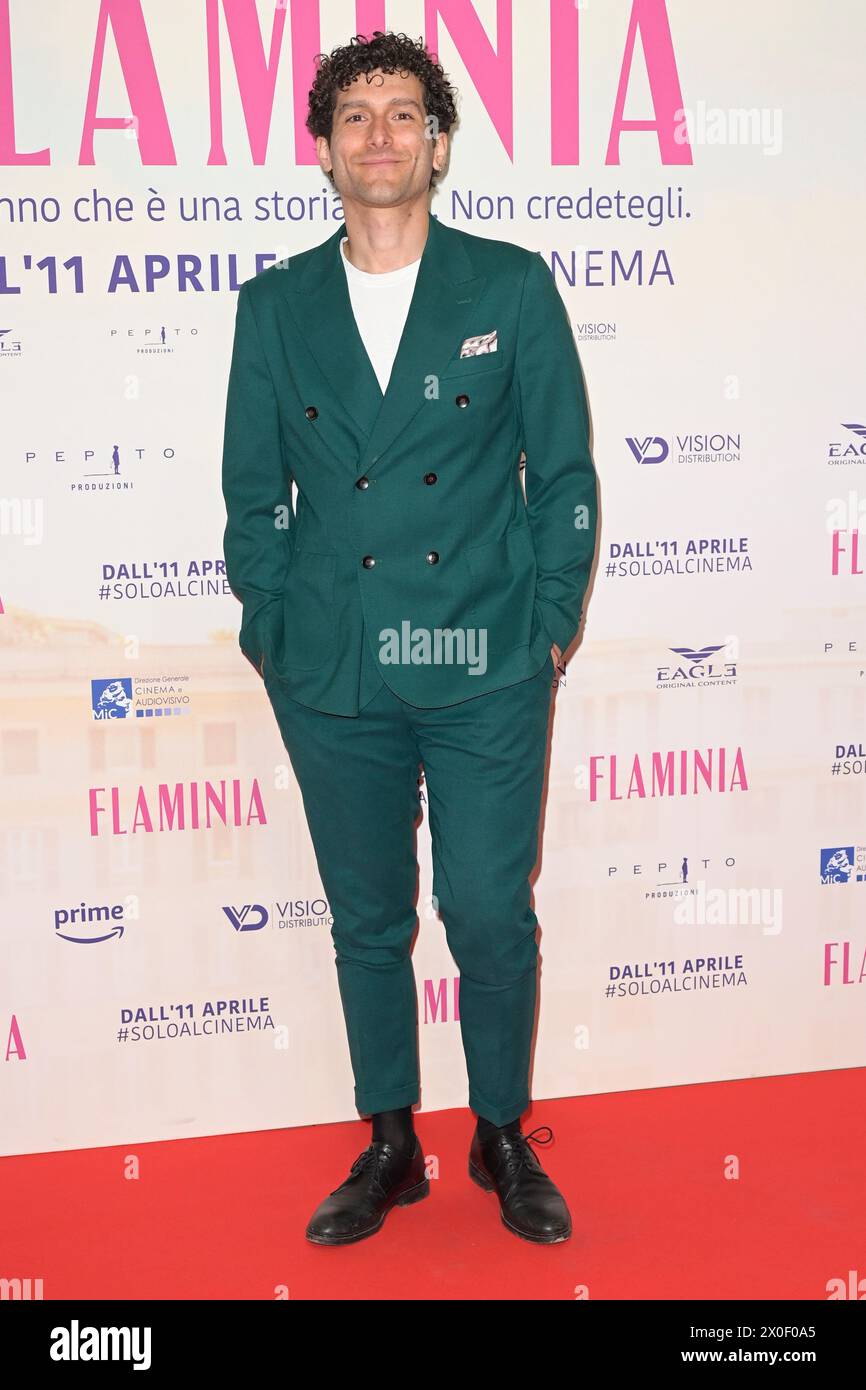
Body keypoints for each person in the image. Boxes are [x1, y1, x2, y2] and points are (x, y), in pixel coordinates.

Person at [221, 30, 598, 1246]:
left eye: (401, 113)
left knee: (489, 909)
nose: (378, 135)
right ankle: (390, 1142)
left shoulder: (508, 285)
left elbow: (566, 476)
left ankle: (497, 1135)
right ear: (324, 149)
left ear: (435, 143)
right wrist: (273, 629)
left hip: (482, 659)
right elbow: (248, 495)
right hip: (335, 667)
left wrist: (546, 626)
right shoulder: (273, 306)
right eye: (354, 117)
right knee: (366, 917)